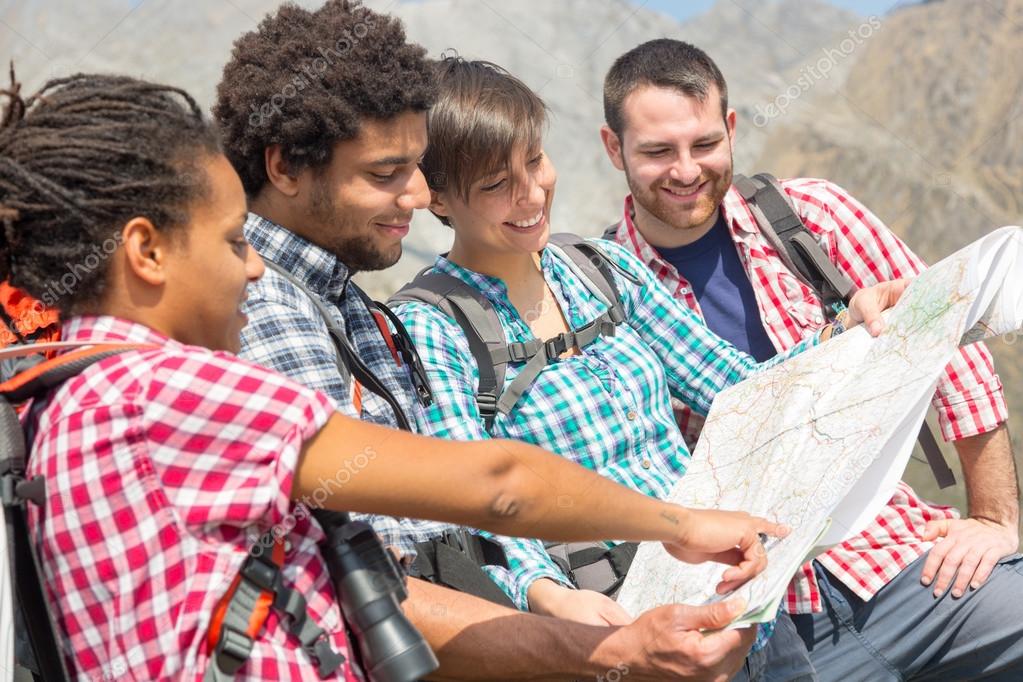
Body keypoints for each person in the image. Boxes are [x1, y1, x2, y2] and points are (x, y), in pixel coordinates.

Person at [0, 70, 788, 681]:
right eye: (234, 240)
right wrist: (680, 529)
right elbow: (496, 483)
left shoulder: (73, 395)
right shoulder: (160, 393)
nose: (251, 269)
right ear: (145, 252)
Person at [213, 2, 778, 679]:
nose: (417, 194)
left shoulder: (346, 300)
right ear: (284, 168)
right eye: (385, 173)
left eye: (416, 168)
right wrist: (597, 633)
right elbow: (399, 557)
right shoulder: (276, 313)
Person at [388, 56, 905, 681]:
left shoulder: (600, 268)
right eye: (496, 183)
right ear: (436, 196)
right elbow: (471, 501)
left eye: (535, 161)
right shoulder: (429, 327)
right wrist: (549, 598)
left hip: (732, 600)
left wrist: (842, 329)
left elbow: (737, 387)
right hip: (615, 631)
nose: (530, 194)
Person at [599, 38, 1023, 680]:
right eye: (657, 151)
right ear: (614, 149)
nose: (686, 170)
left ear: (732, 129)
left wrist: (994, 518)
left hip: (906, 560)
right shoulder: (598, 289)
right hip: (759, 625)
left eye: (705, 144)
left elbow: (948, 337)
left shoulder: (810, 217)